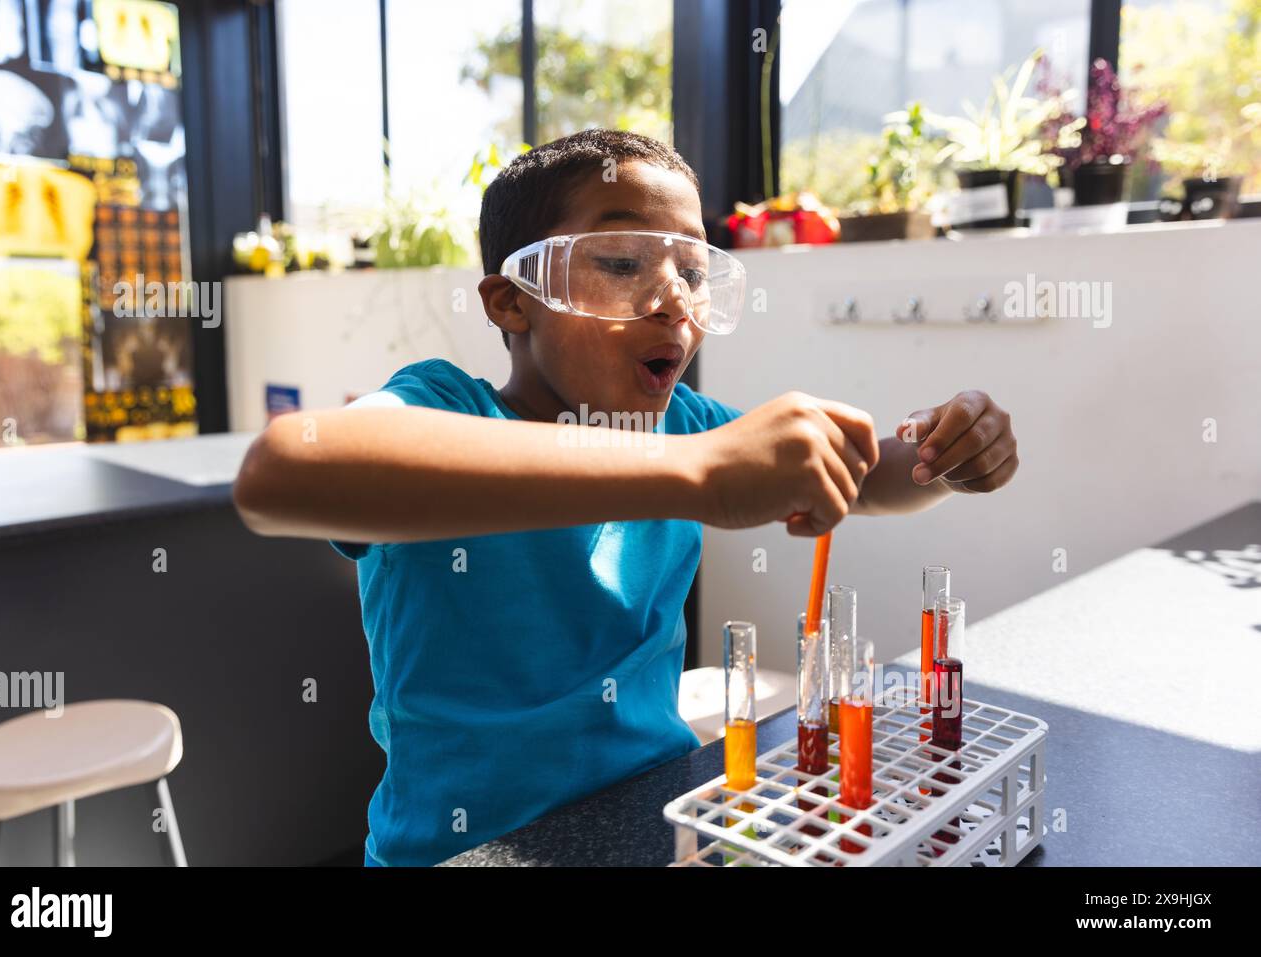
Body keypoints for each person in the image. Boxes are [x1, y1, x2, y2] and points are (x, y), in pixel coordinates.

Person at [233, 129, 1018, 866]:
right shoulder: (447, 407)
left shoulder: (687, 425)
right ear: (511, 301)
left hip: (656, 822)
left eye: (694, 272)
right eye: (621, 263)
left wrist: (944, 455)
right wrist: (698, 471)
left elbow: (863, 474)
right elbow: (284, 471)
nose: (674, 298)